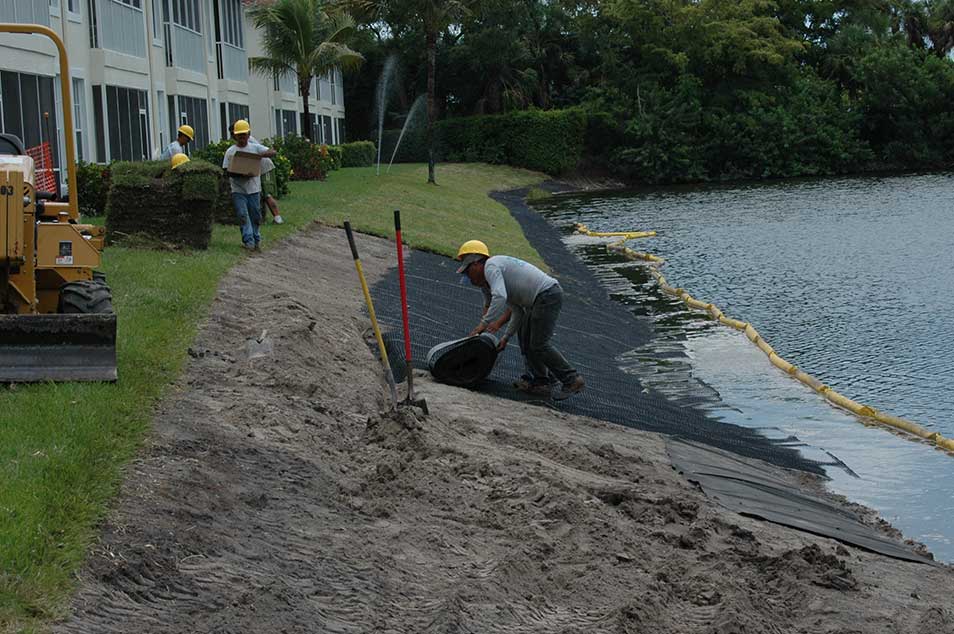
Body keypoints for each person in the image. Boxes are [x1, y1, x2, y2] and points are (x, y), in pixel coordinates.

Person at [457, 240, 585, 400]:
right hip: (538, 299)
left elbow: (500, 297)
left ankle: (572, 380)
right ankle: (542, 382)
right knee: (525, 339)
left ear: (476, 264)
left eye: (467, 272)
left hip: (547, 295)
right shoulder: (497, 278)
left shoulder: (491, 266)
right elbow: (517, 311)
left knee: (539, 344)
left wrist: (483, 324)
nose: (468, 277)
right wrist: (506, 337)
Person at [222, 119, 277, 251]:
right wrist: (240, 174)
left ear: (248, 134)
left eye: (244, 135)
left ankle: (256, 238)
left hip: (254, 189)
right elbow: (225, 171)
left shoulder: (254, 148)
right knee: (242, 215)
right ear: (234, 136)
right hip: (238, 189)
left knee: (255, 215)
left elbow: (273, 152)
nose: (242, 138)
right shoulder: (230, 151)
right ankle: (248, 241)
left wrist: (260, 155)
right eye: (239, 135)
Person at [228, 123, 283, 224]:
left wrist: (255, 156)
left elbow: (269, 151)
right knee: (259, 193)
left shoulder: (249, 140)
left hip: (264, 168)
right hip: (253, 171)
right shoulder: (238, 143)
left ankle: (277, 217)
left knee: (267, 193)